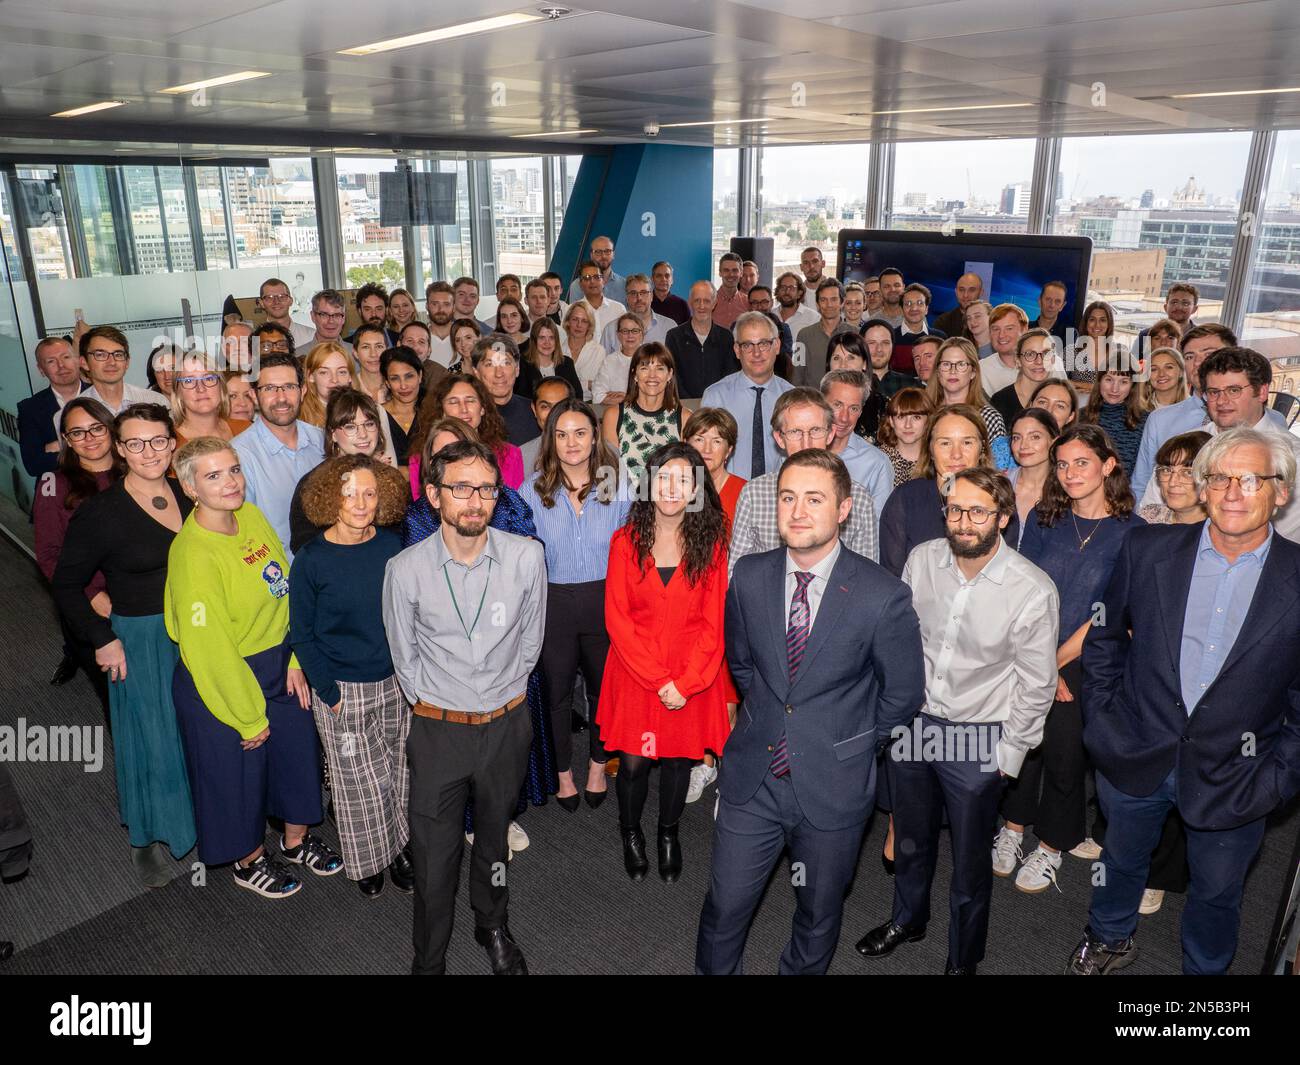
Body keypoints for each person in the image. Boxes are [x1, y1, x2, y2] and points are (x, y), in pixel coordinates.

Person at [1068, 427, 1300, 975]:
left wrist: (1279, 777)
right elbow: (1104, 636)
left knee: (1218, 895)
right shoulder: (1148, 548)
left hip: (1238, 775)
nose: (1232, 492)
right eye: (1218, 478)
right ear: (1203, 488)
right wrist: (1103, 722)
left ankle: (1205, 976)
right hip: (1135, 750)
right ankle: (1108, 937)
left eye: (1250, 479)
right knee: (1120, 863)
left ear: (1281, 492)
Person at [696, 448, 925, 974]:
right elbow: (744, 665)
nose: (797, 510)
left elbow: (903, 695)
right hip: (754, 775)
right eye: (787, 497)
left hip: (834, 783)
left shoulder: (882, 595)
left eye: (814, 499)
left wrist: (850, 743)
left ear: (844, 509)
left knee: (818, 914)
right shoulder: (749, 577)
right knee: (723, 907)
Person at [856, 468, 1058, 974]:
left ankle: (963, 961)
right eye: (955, 509)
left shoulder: (1032, 590)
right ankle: (909, 919)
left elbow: (1036, 685)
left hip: (979, 739)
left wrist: (1007, 757)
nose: (964, 522)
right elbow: (898, 641)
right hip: (916, 724)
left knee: (969, 866)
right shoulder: (922, 560)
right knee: (909, 838)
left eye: (979, 511)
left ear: (1004, 518)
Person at [383, 439, 545, 975]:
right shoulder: (404, 569)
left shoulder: (526, 557)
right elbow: (404, 659)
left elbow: (530, 645)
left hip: (506, 726)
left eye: (485, 489)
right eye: (460, 488)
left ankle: (492, 924)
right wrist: (441, 704)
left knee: (494, 840)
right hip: (437, 731)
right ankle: (428, 958)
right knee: (433, 857)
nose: (474, 500)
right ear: (434, 495)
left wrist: (500, 698)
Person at [996, 425, 1145, 894]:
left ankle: (1053, 846)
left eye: (1081, 462)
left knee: (1063, 750)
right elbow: (1023, 587)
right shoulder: (1047, 516)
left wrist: (1054, 664)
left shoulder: (1133, 533)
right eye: (1062, 464)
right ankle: (1013, 827)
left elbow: (1110, 612)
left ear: (1108, 465)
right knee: (1021, 737)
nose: (1069, 472)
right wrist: (1034, 659)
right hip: (1032, 644)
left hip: (1089, 657)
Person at [52, 403, 196, 886]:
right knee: (151, 738)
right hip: (140, 637)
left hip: (197, 631)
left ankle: (201, 821)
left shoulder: (189, 492)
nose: (148, 451)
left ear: (173, 444)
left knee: (196, 731)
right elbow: (67, 584)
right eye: (134, 442)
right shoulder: (100, 512)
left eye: (157, 440)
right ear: (119, 449)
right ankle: (149, 837)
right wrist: (102, 638)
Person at [402, 419, 553, 855]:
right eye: (445, 458)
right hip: (444, 683)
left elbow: (530, 625)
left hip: (504, 664)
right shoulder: (416, 520)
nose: (470, 491)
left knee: (500, 764)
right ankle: (465, 824)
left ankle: (497, 821)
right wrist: (427, 694)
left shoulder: (504, 504)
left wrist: (509, 672)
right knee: (450, 774)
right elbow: (405, 637)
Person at [599, 441, 730, 883]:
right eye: (664, 478)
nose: (673, 488)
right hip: (638, 673)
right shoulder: (624, 542)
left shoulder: (712, 544)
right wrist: (659, 681)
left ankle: (668, 832)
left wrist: (687, 682)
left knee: (677, 760)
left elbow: (715, 624)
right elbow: (617, 621)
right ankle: (630, 832)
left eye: (684, 479)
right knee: (634, 763)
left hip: (692, 674)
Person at [290, 453, 411, 899]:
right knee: (358, 782)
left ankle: (399, 848)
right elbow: (301, 635)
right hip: (342, 688)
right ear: (329, 499)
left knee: (399, 772)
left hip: (396, 684)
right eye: (348, 494)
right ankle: (368, 862)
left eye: (369, 493)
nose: (360, 503)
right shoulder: (311, 559)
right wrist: (328, 692)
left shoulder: (392, 547)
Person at [518, 399, 629, 812]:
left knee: (604, 693)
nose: (571, 443)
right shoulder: (530, 491)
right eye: (561, 434)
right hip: (555, 603)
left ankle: (598, 766)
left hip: (607, 600)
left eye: (580, 432)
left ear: (595, 435)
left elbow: (636, 548)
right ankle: (563, 774)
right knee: (557, 693)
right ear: (550, 440)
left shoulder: (620, 483)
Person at [729, 388, 880, 577]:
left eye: (815, 430)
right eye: (795, 432)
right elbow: (737, 573)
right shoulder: (754, 493)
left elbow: (866, 576)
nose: (806, 442)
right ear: (779, 438)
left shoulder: (857, 497)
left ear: (831, 433)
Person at [36, 398, 118, 707]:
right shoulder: (54, 485)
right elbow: (49, 555)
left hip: (141, 599)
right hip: (91, 606)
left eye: (97, 428)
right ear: (67, 441)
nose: (90, 438)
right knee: (116, 696)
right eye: (78, 433)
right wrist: (93, 594)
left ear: (110, 429)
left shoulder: (136, 474)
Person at [879, 404, 1012, 577]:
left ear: (982, 448)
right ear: (931, 450)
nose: (956, 454)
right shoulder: (906, 499)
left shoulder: (999, 499)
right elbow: (892, 577)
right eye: (945, 443)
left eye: (967, 442)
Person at [231, 354, 325, 563]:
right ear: (254, 396)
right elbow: (244, 534)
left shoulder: (323, 441)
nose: (281, 397)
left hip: (329, 569)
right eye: (270, 388)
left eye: (289, 386)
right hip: (279, 578)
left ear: (303, 391)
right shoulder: (239, 455)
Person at [1131, 323, 1240, 498]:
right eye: (1189, 356)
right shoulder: (1160, 419)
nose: (1198, 363)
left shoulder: (1258, 420)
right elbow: (1140, 485)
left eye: (1209, 354)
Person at [289, 388, 396, 554]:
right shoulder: (312, 485)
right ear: (333, 434)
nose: (363, 435)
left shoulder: (389, 480)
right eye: (350, 427)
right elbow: (303, 547)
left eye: (369, 424)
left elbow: (399, 538)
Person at [700, 311, 795, 480]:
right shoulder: (715, 397)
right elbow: (704, 460)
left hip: (779, 496)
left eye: (764, 343)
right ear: (737, 350)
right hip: (727, 497)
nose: (756, 353)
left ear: (777, 345)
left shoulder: (792, 398)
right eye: (747, 345)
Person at [408, 373, 524, 493]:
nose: (463, 409)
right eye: (453, 402)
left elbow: (515, 507)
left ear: (482, 408)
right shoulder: (420, 460)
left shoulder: (510, 455)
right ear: (442, 411)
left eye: (470, 401)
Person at [57, 327, 166, 434]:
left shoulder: (156, 402)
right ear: (84, 362)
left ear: (127, 362)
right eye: (100, 355)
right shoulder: (69, 415)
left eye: (118, 354)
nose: (112, 362)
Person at [601, 342, 684, 482]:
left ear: (669, 374)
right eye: (645, 368)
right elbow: (609, 473)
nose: (652, 375)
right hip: (626, 501)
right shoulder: (614, 416)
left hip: (671, 499)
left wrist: (695, 504)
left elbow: (692, 474)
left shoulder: (684, 417)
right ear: (634, 374)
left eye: (660, 368)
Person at [823, 369, 894, 523]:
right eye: (837, 405)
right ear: (821, 403)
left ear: (861, 411)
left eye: (853, 408)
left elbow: (878, 527)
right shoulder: (797, 451)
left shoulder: (877, 464)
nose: (844, 418)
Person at [18, 335, 87, 478]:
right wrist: (91, 450)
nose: (61, 365)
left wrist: (62, 446)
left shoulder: (100, 395)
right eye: (51, 361)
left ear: (78, 360)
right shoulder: (30, 409)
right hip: (58, 488)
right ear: (41, 370)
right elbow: (34, 465)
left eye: (66, 357)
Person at [925, 337, 1007, 448]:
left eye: (961, 364)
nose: (952, 371)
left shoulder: (989, 418)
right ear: (938, 371)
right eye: (946, 364)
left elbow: (998, 463)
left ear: (973, 372)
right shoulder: (924, 413)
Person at [666, 281, 736, 399]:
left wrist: (717, 400)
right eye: (697, 300)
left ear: (714, 303)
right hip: (684, 405)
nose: (701, 306)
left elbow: (730, 375)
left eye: (707, 301)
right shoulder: (674, 337)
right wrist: (688, 402)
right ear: (690, 302)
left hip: (719, 404)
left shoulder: (726, 337)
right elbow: (672, 375)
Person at [1079, 365, 1150, 477]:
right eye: (1109, 379)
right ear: (1099, 381)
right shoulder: (1080, 416)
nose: (1114, 389)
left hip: (1125, 492)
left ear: (1133, 386)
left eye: (1124, 382)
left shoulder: (1146, 421)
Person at [171, 352, 251, 447]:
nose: (201, 389)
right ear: (178, 392)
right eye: (189, 381)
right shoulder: (170, 445)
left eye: (208, 379)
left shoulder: (246, 430)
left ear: (221, 386)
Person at [470, 335, 538, 447]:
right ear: (476, 373)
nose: (499, 373)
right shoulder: (469, 416)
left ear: (517, 369)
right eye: (489, 365)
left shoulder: (535, 412)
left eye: (505, 363)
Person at [1007, 408, 1062, 545]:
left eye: (1035, 437)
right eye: (1017, 437)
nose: (1023, 446)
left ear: (1054, 442)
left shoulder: (1067, 488)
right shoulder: (998, 483)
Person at [685, 407, 745, 524]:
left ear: (729, 450)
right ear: (685, 443)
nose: (707, 449)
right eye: (699, 439)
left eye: (716, 441)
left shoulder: (745, 493)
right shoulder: (672, 488)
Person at [1138, 430, 1211, 525]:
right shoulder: (1148, 518)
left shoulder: (1222, 530)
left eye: (1188, 472)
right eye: (1167, 470)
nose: (1172, 482)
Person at [989, 328, 1058, 428]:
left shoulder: (1061, 399)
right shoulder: (1000, 401)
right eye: (1030, 354)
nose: (1039, 361)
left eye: (1046, 353)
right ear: (1018, 360)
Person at [794, 279, 853, 388]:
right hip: (812, 401)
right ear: (817, 304)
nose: (829, 305)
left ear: (842, 302)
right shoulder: (803, 335)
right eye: (823, 300)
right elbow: (797, 374)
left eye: (834, 299)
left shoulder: (856, 334)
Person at [876, 387, 934, 487]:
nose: (908, 425)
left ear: (928, 421)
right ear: (891, 421)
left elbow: (951, 495)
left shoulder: (940, 458)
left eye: (916, 417)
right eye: (901, 417)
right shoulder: (877, 459)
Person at [598, 273, 670, 351]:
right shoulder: (611, 329)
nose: (639, 298)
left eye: (643, 292)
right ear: (627, 298)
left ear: (651, 296)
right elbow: (601, 362)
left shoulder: (669, 327)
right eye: (633, 293)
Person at [299, 341, 361, 429]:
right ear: (311, 376)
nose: (334, 380)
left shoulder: (366, 411)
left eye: (342, 372)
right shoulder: (298, 418)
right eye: (324, 372)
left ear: (350, 376)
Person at [519, 376, 573, 474]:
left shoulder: (598, 450)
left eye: (560, 406)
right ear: (534, 410)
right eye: (545, 407)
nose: (553, 413)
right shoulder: (521, 456)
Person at [518, 317, 581, 400]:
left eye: (551, 338)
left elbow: (578, 395)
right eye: (542, 337)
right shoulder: (523, 364)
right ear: (534, 340)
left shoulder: (567, 363)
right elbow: (521, 398)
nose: (547, 343)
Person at [381, 346, 424, 464]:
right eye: (395, 379)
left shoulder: (434, 413)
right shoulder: (376, 415)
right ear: (387, 383)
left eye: (409, 376)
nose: (403, 386)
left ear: (420, 376)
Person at [891, 283, 946, 374]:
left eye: (920, 303)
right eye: (908, 304)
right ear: (901, 310)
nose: (914, 308)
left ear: (926, 309)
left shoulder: (940, 337)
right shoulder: (891, 337)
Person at [978, 303, 1029, 395]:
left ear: (1024, 330)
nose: (1001, 335)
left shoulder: (1045, 366)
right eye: (996, 329)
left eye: (1009, 328)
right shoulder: (980, 369)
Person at [593, 313, 644, 405]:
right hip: (616, 414)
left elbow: (657, 396)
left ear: (642, 334)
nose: (630, 335)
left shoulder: (652, 359)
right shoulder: (609, 361)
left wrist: (626, 397)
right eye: (625, 331)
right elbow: (597, 396)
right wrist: (632, 398)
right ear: (618, 335)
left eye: (635, 331)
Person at [561, 302, 606, 402]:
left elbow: (598, 385)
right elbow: (556, 383)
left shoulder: (598, 351)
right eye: (575, 319)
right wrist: (587, 384)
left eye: (584, 321)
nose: (579, 325)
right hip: (561, 404)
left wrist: (568, 383)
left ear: (589, 325)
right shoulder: (558, 350)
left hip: (589, 404)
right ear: (568, 322)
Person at [573, 259, 626, 337]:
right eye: (587, 278)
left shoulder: (618, 309)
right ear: (580, 284)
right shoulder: (571, 310)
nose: (592, 281)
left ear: (603, 281)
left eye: (596, 277)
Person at [568, 235, 625, 305]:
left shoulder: (623, 285)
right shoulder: (577, 286)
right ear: (591, 255)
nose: (603, 256)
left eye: (607, 251)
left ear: (613, 254)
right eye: (598, 252)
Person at [1070, 299, 1116, 387]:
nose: (1097, 325)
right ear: (1086, 323)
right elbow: (1059, 381)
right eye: (1092, 320)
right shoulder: (1072, 351)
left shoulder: (1119, 354)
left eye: (1102, 320)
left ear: (1109, 324)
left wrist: (1084, 386)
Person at [302, 289, 354, 359]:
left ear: (343, 318)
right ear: (313, 316)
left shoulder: (358, 355)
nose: (331, 321)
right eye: (324, 314)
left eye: (337, 315)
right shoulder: (296, 357)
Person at [933, 272, 984, 338]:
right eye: (961, 290)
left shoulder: (991, 322)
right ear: (956, 292)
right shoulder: (943, 322)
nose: (965, 295)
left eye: (971, 290)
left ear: (981, 292)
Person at [351, 323, 391, 405]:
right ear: (355, 353)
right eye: (366, 347)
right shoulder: (348, 389)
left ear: (387, 350)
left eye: (379, 346)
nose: (373, 354)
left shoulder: (398, 386)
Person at [352, 283, 398, 348]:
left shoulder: (399, 339)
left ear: (386, 310)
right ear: (360, 311)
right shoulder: (348, 344)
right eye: (367, 309)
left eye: (379, 309)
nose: (374, 314)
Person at [712, 252, 748, 329]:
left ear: (741, 273)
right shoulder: (709, 300)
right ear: (720, 273)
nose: (731, 274)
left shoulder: (748, 302)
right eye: (726, 270)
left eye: (735, 270)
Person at [651, 260, 690, 325]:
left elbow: (688, 332)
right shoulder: (645, 303)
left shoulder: (682, 305)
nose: (663, 279)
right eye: (659, 276)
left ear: (672, 280)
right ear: (652, 279)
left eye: (667, 276)